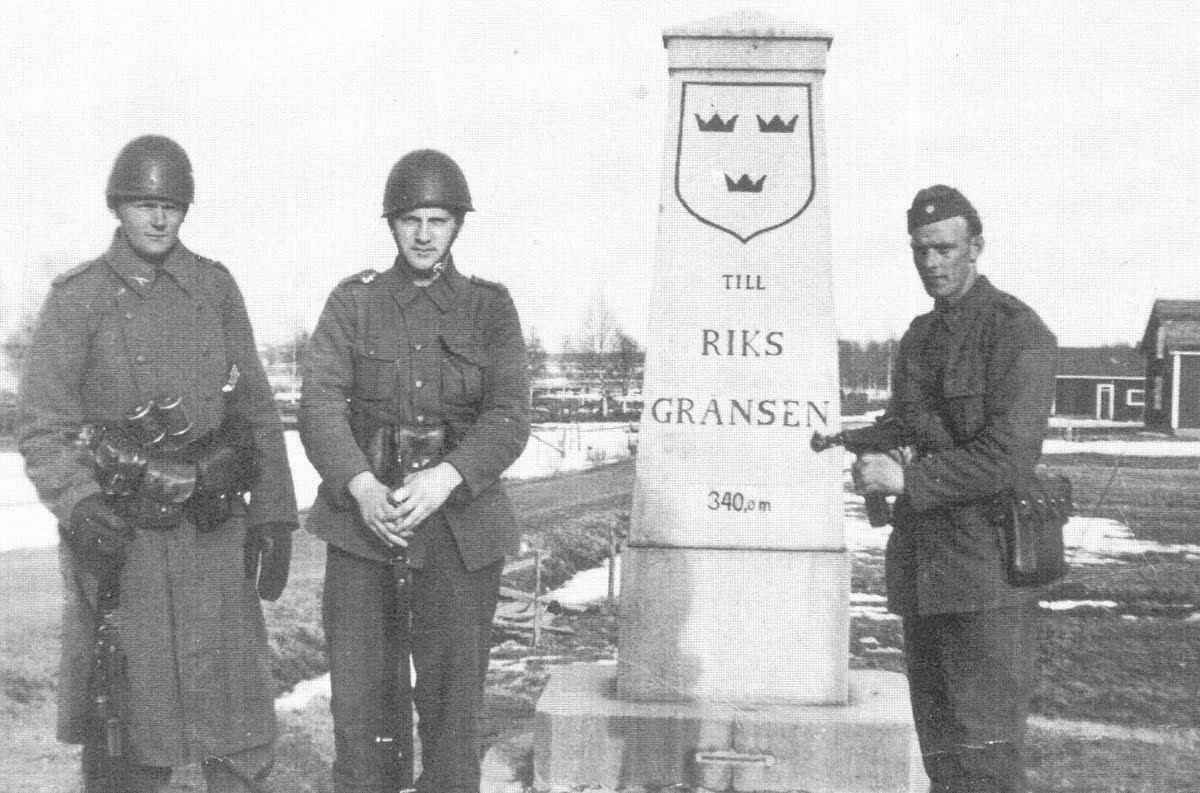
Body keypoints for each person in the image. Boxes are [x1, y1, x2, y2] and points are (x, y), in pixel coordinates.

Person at [16, 134, 299, 793]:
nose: (158, 218)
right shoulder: (78, 299)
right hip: (128, 548)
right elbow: (43, 423)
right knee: (132, 738)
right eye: (144, 203)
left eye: (171, 204)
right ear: (118, 206)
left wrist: (277, 514)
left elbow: (256, 407)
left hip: (214, 536)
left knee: (238, 730)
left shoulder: (213, 288)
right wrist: (80, 502)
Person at [299, 149, 530, 793]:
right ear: (391, 225)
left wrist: (450, 475)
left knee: (454, 717)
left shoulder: (490, 308)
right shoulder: (354, 303)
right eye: (410, 220)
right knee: (364, 716)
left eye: (438, 219)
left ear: (458, 225)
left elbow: (510, 415)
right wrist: (360, 484)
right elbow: (318, 404)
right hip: (364, 535)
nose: (424, 234)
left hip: (459, 535)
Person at [851, 185, 1057, 793]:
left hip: (988, 574)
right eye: (920, 251)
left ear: (976, 247)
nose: (931, 263)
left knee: (985, 756)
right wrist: (867, 443)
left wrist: (906, 478)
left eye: (944, 248)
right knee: (941, 753)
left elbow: (1008, 457)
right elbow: (910, 420)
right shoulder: (919, 336)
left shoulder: (1018, 333)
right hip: (924, 572)